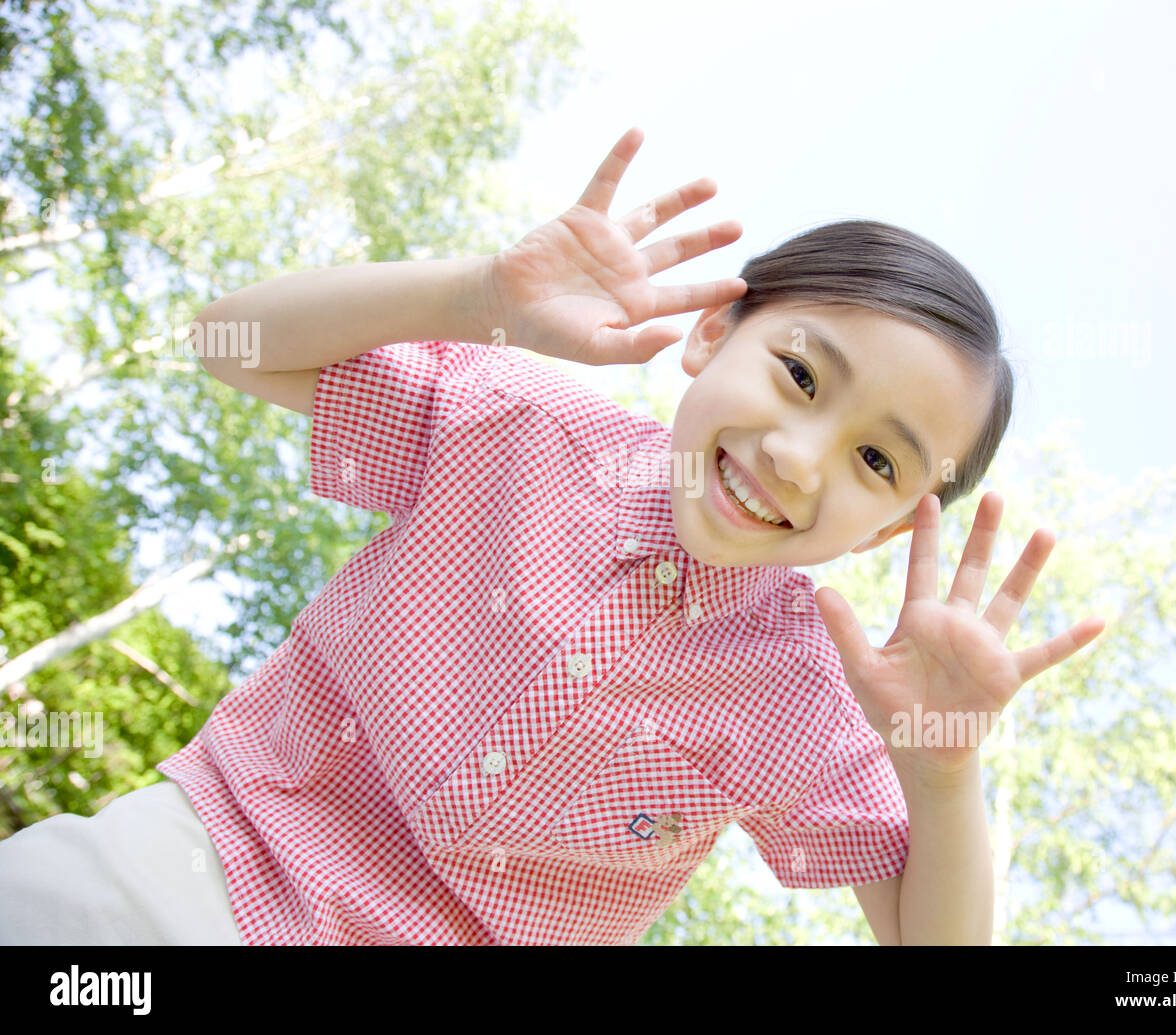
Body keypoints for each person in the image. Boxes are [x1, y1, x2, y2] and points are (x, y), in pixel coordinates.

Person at [0, 127, 1104, 945]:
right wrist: (475, 294)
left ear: (883, 534)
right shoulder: (519, 425)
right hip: (164, 887)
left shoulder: (803, 697)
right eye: (801, 374)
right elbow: (227, 341)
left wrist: (944, 771)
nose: (799, 456)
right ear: (711, 333)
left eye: (877, 462)